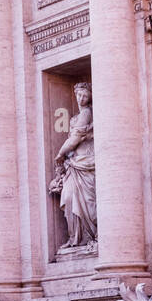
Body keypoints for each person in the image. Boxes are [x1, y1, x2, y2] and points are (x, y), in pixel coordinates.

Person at [50, 82, 97, 247]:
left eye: (85, 95)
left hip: (85, 161)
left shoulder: (86, 114)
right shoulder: (77, 116)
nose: (81, 98)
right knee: (69, 197)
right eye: (79, 95)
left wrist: (60, 154)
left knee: (87, 202)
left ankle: (88, 237)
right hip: (75, 163)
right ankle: (75, 238)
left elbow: (75, 138)